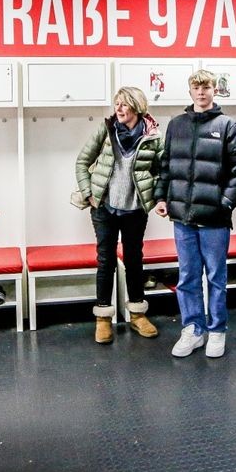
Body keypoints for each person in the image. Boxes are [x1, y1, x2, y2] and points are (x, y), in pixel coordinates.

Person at [155, 69, 236, 359]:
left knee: (216, 277)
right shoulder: (176, 125)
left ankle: (217, 330)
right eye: (196, 87)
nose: (201, 92)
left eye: (206, 87)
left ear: (214, 91)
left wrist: (225, 203)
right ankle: (193, 330)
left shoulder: (228, 125)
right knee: (187, 276)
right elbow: (166, 165)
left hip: (215, 219)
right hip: (182, 216)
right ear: (190, 91)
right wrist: (161, 197)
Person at [74, 86, 164, 344]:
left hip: (135, 210)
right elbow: (82, 162)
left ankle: (137, 314)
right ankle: (103, 318)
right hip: (104, 208)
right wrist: (89, 194)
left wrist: (155, 196)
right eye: (117, 104)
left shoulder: (153, 136)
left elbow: (162, 171)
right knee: (106, 261)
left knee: (134, 260)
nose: (119, 109)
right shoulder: (106, 130)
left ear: (137, 106)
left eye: (124, 104)